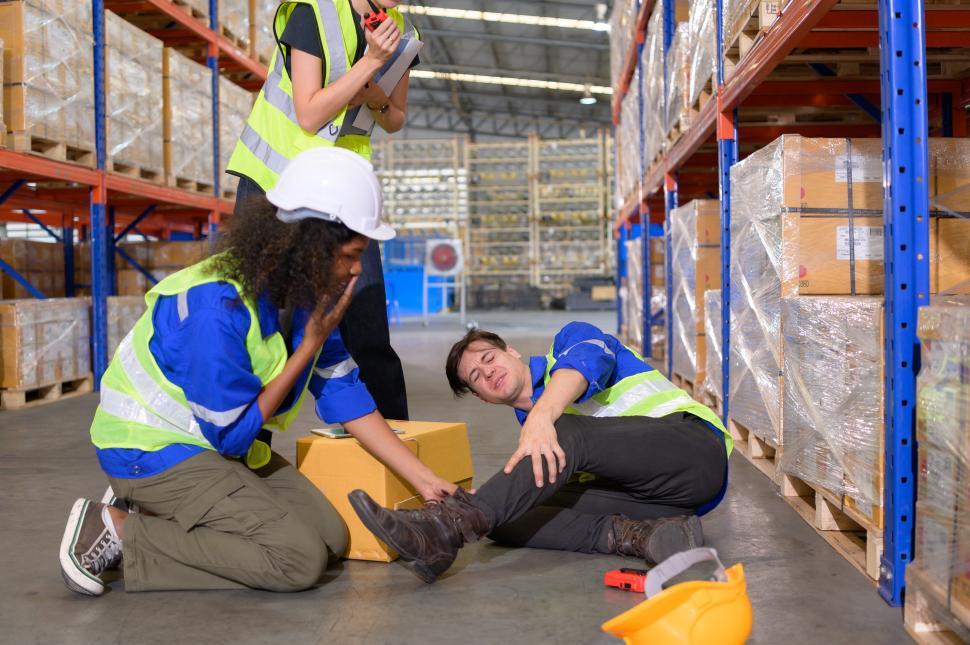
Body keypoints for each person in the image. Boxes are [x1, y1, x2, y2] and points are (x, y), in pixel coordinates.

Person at [59, 147, 457, 596]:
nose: (353, 272)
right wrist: (307, 347)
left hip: (212, 448)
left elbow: (345, 393)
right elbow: (232, 434)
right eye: (349, 256)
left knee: (331, 537)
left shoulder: (305, 296)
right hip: (149, 450)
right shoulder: (216, 308)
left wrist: (426, 481)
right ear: (308, 246)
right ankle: (116, 527)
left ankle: (167, 513)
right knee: (296, 560)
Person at [349, 322, 731, 583]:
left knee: (559, 434)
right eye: (476, 379)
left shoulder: (568, 342)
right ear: (481, 398)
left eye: (488, 359)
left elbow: (589, 358)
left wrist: (544, 415)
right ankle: (641, 536)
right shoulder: (534, 432)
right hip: (661, 504)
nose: (488, 373)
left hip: (695, 455)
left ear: (510, 351)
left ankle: (445, 530)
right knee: (504, 512)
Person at [226, 0, 421, 421]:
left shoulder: (403, 34)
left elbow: (394, 118)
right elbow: (309, 113)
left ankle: (396, 448)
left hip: (343, 188)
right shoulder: (313, 12)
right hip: (274, 181)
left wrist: (376, 98)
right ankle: (240, 446)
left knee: (367, 328)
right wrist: (371, 63)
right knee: (260, 323)